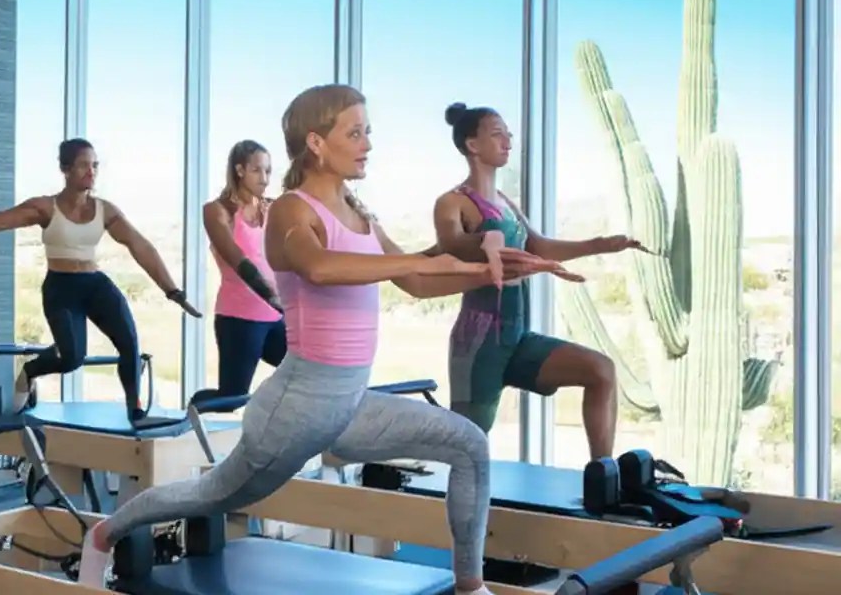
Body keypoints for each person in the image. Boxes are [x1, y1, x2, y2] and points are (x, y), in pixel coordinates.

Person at [75, 85, 572, 594]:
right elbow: (318, 265)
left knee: (469, 446)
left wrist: (496, 274)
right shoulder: (292, 210)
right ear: (315, 142)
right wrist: (426, 259)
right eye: (354, 133)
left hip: (351, 403)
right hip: (297, 407)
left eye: (368, 132)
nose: (367, 144)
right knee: (213, 493)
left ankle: (471, 588)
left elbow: (418, 283)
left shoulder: (361, 215)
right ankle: (104, 534)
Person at [0, 138, 201, 421]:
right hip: (61, 287)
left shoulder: (105, 210)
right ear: (66, 169)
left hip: (94, 285)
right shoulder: (46, 207)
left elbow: (141, 246)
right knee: (71, 358)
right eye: (84, 165)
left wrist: (173, 291)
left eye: (95, 165)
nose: (91, 171)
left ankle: (135, 410)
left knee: (129, 342)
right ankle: (30, 371)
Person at [434, 102, 638, 460]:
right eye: (497, 134)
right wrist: (486, 242)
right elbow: (450, 244)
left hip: (517, 337)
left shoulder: (506, 203)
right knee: (466, 444)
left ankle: (603, 478)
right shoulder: (453, 202)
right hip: (480, 343)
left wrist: (601, 244)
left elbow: (539, 245)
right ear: (472, 144)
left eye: (508, 134)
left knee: (600, 370)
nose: (508, 141)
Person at [193, 139, 286, 401]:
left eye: (268, 171)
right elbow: (239, 261)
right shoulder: (217, 211)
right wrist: (276, 300)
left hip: (275, 318)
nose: (265, 178)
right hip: (239, 318)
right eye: (257, 170)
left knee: (308, 375)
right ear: (240, 170)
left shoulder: (274, 208)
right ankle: (190, 417)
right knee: (231, 397)